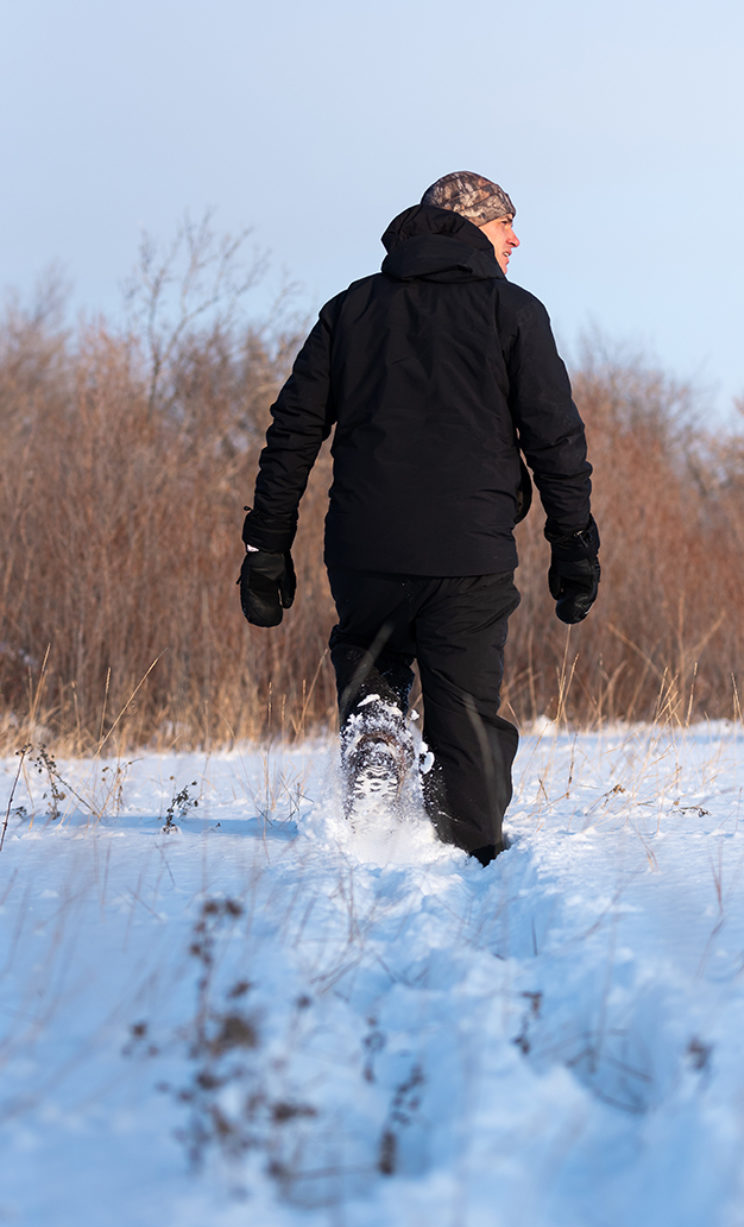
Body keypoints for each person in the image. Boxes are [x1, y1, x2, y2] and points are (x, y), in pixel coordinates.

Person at [239, 171, 599, 864]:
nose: (516, 237)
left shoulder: (351, 310)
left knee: (373, 669)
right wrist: (574, 546)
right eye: (504, 224)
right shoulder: (513, 311)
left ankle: (376, 741)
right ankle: (466, 849)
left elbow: (292, 433)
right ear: (467, 226)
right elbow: (556, 440)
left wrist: (266, 548)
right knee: (466, 716)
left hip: (365, 551)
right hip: (469, 558)